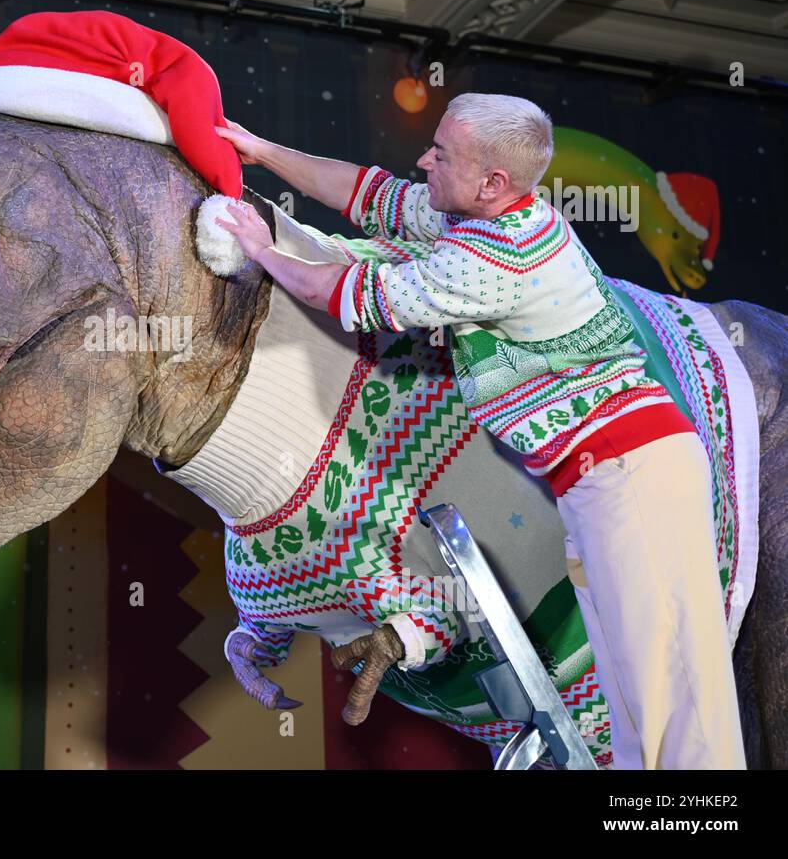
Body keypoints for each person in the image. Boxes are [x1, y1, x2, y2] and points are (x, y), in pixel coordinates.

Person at [211, 92, 745, 770]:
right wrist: (261, 149)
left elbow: (346, 297)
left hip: (629, 468)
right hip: (591, 479)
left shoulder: (495, 262)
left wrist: (263, 249)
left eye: (443, 154)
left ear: (493, 183)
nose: (423, 160)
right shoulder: (472, 218)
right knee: (633, 699)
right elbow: (370, 195)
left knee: (676, 696)